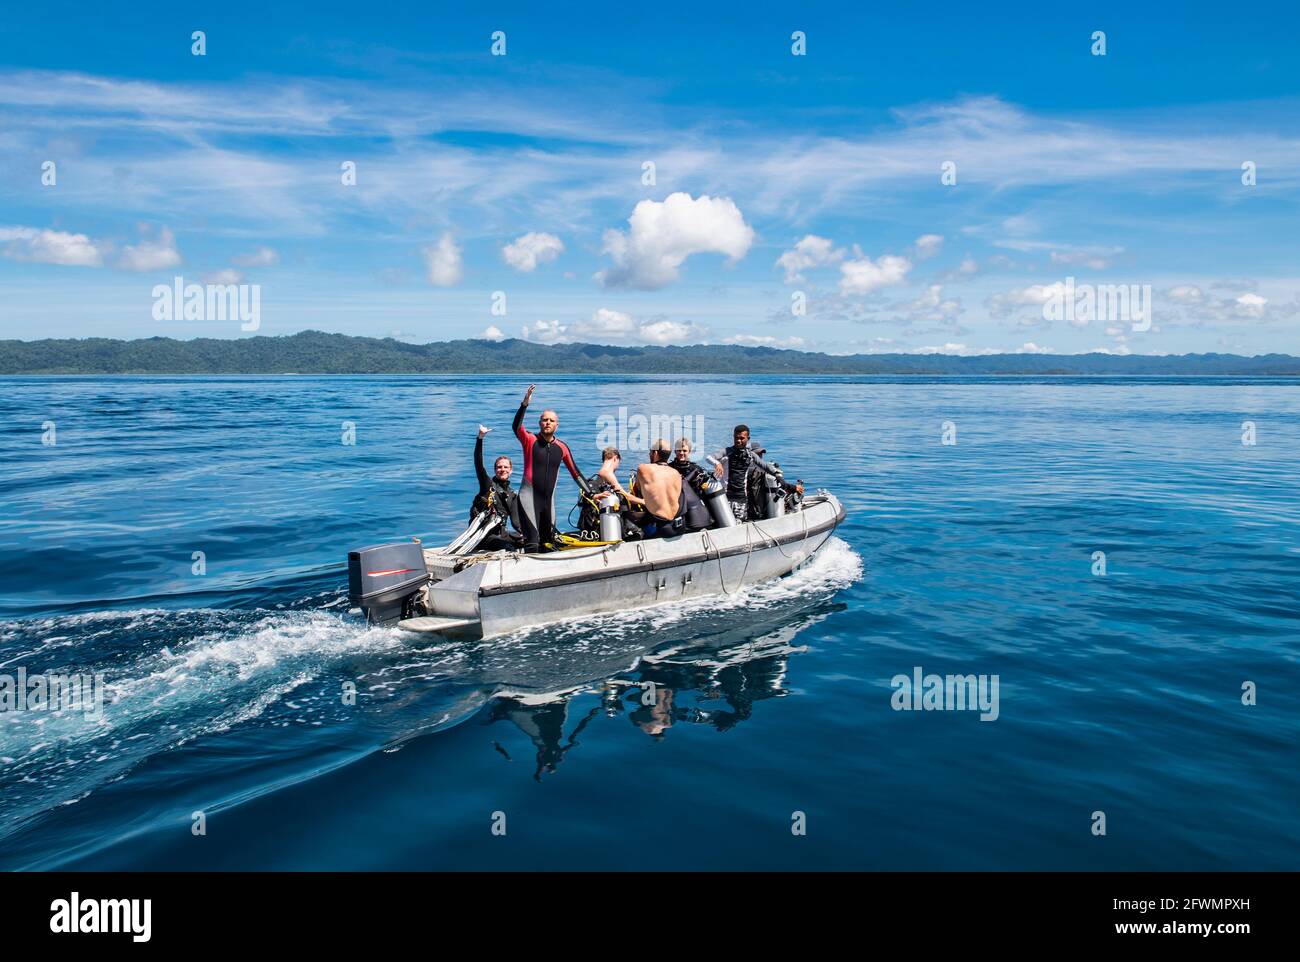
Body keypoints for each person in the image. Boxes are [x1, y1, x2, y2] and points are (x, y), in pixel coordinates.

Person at [513, 384, 591, 552]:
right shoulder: (530, 440)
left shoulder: (562, 448)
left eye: (551, 420)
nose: (547, 422)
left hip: (549, 503)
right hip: (528, 499)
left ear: (557, 425)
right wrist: (524, 404)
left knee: (548, 544)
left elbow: (576, 474)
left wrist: (592, 494)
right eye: (544, 419)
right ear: (540, 423)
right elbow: (516, 427)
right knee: (533, 544)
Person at [713, 424, 803, 522]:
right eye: (758, 454)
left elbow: (765, 467)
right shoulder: (752, 470)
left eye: (761, 454)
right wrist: (793, 487)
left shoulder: (751, 468)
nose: (760, 456)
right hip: (746, 504)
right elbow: (770, 477)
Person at [469, 424, 524, 551]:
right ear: (495, 470)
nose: (502, 470)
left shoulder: (512, 495)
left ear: (511, 470)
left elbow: (516, 523)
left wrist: (528, 534)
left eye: (505, 467)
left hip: (502, 535)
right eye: (499, 467)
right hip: (484, 536)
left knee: (533, 541)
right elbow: (478, 464)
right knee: (508, 548)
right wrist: (480, 438)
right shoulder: (487, 486)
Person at [629, 439, 685, 538]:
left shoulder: (643, 468)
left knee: (628, 518)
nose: (649, 454)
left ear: (655, 453)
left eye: (650, 452)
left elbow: (637, 491)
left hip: (660, 529)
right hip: (680, 527)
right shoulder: (676, 473)